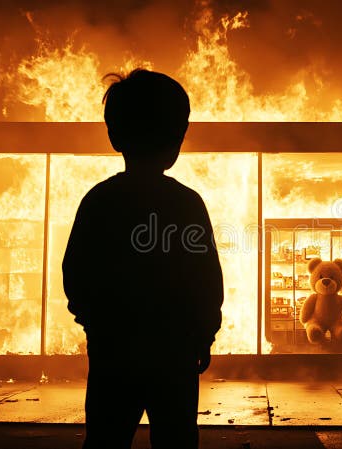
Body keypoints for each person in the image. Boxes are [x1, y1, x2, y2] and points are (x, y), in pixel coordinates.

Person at [62, 69, 223, 449]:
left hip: (113, 352)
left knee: (104, 438)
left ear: (115, 135)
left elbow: (76, 273)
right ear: (176, 139)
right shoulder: (187, 204)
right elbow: (205, 279)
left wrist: (95, 324)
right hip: (175, 353)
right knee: (176, 440)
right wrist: (203, 335)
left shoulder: (98, 201)